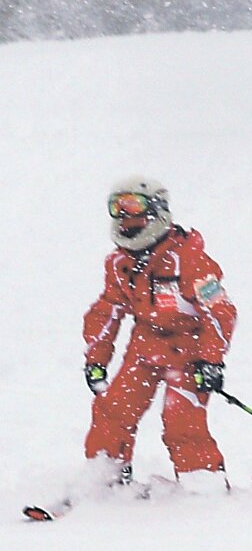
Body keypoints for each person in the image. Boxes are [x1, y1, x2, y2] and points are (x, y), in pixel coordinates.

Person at [83, 176, 237, 492]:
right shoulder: (119, 263)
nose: (125, 217)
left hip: (189, 350)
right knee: (113, 410)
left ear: (156, 210)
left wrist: (211, 361)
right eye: (117, 208)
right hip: (146, 346)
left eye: (133, 206)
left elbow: (220, 312)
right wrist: (96, 359)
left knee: (182, 421)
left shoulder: (188, 259)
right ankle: (104, 476)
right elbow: (107, 312)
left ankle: (202, 483)